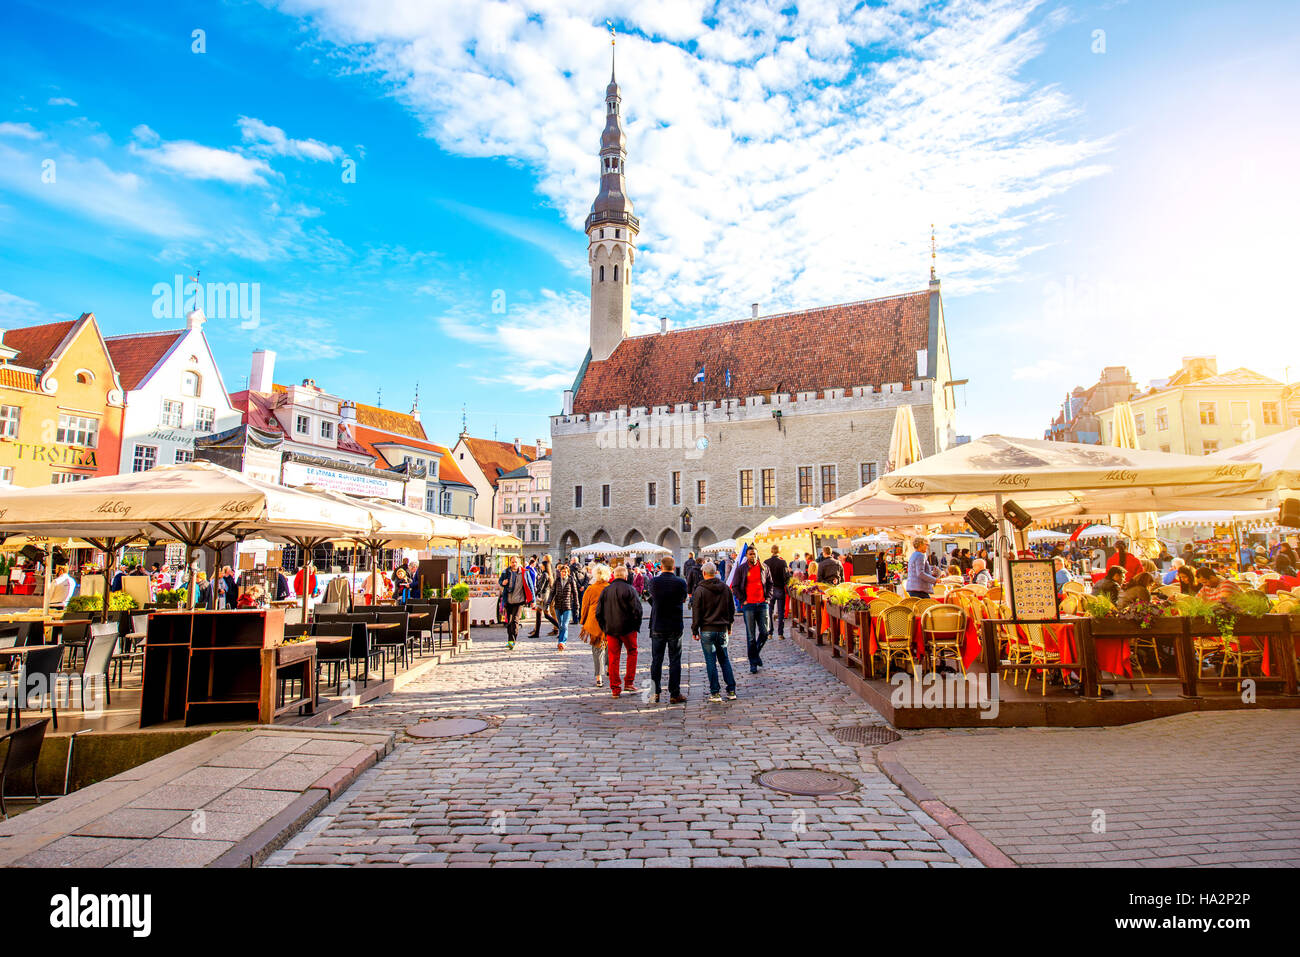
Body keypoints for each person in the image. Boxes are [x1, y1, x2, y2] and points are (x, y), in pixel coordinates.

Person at [691, 561, 737, 702]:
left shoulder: (700, 590)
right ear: (715, 572)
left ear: (704, 573)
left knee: (711, 661)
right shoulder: (725, 588)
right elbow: (731, 609)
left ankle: (715, 692)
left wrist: (695, 630)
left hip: (707, 630)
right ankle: (731, 690)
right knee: (724, 659)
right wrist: (729, 626)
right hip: (722, 629)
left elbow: (696, 612)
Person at [595, 565, 642, 698]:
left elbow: (598, 612)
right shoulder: (630, 589)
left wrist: (605, 627)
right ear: (626, 576)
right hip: (628, 629)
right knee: (632, 652)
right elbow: (637, 610)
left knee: (613, 657)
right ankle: (629, 682)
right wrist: (635, 626)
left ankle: (615, 688)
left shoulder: (606, 590)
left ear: (614, 576)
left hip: (611, 629)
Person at [647, 556, 688, 704]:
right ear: (673, 567)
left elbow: (650, 597)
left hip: (658, 625)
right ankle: (674, 693)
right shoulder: (680, 582)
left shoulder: (654, 581)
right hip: (674, 625)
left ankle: (655, 693)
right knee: (675, 660)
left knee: (656, 660)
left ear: (661, 567)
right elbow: (683, 599)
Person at [731, 546, 773, 674]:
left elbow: (770, 583)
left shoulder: (764, 567)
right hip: (748, 605)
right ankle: (752, 663)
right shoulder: (741, 569)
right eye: (750, 554)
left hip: (762, 604)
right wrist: (743, 600)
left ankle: (755, 655)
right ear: (747, 556)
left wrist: (768, 598)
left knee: (765, 632)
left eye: (754, 554)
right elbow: (735, 586)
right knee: (751, 636)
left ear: (757, 554)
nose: (752, 556)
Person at [578, 563, 610, 685]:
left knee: (597, 649)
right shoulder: (609, 588)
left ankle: (598, 677)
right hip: (608, 620)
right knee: (608, 645)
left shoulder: (590, 589)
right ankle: (608, 668)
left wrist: (583, 621)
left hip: (594, 621)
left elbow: (584, 606)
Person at [498, 556, 532, 650]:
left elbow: (530, 586)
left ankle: (513, 640)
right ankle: (510, 641)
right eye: (512, 562)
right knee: (508, 622)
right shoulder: (506, 572)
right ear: (510, 563)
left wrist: (532, 600)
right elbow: (500, 581)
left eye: (516, 562)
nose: (514, 564)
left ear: (519, 562)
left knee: (515, 621)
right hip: (508, 600)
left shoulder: (524, 573)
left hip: (519, 601)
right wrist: (503, 582)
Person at [552, 562, 580, 651]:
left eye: (565, 571)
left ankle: (562, 642)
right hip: (558, 605)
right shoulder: (557, 581)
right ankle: (561, 641)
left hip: (567, 606)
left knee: (564, 625)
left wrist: (577, 606)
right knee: (560, 625)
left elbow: (575, 594)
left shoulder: (571, 581)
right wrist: (548, 603)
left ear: (568, 572)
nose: (563, 573)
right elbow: (552, 592)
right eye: (562, 571)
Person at [529, 555, 559, 638]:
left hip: (544, 595)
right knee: (539, 613)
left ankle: (560, 628)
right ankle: (536, 632)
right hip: (546, 594)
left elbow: (540, 587)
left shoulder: (545, 574)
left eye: (542, 565)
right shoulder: (549, 572)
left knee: (546, 614)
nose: (540, 566)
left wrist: (534, 595)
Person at [765, 546, 789, 639]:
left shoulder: (766, 562)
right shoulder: (782, 562)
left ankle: (770, 633)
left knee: (769, 612)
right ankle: (780, 634)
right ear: (779, 551)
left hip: (770, 589)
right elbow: (786, 576)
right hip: (779, 588)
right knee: (780, 612)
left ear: (771, 551)